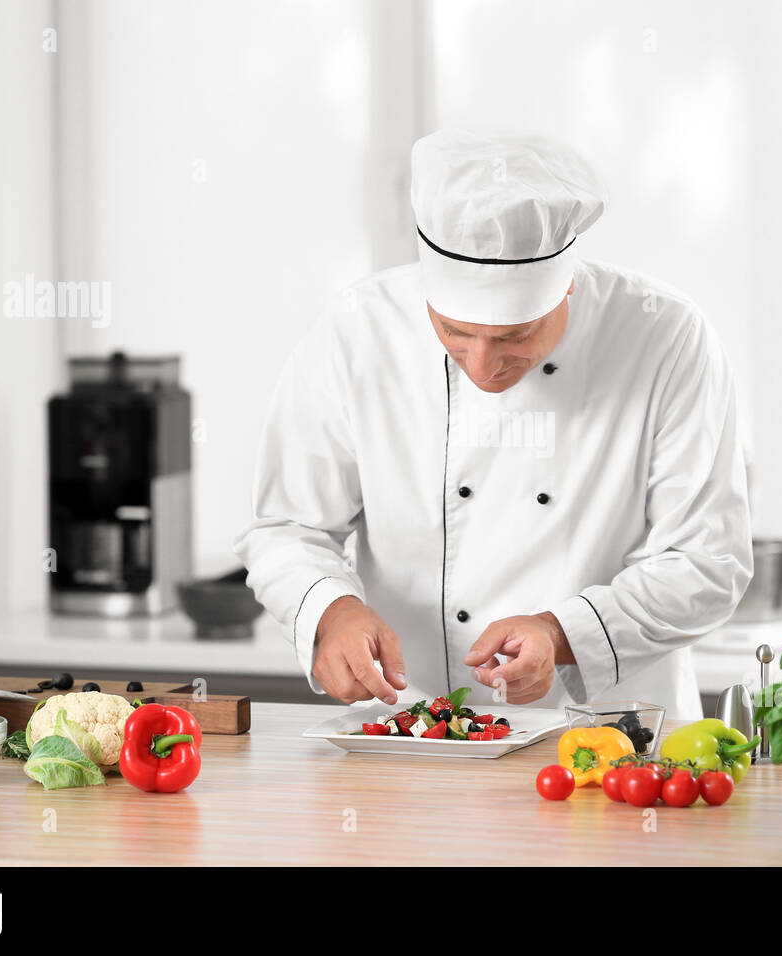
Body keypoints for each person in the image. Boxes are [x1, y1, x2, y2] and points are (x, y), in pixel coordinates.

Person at [233, 130, 752, 719]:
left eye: (515, 335)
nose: (482, 366)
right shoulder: (358, 330)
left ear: (568, 284)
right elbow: (286, 525)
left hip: (613, 741)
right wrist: (331, 612)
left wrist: (561, 635)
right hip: (417, 734)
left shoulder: (665, 337)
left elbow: (708, 561)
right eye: (454, 332)